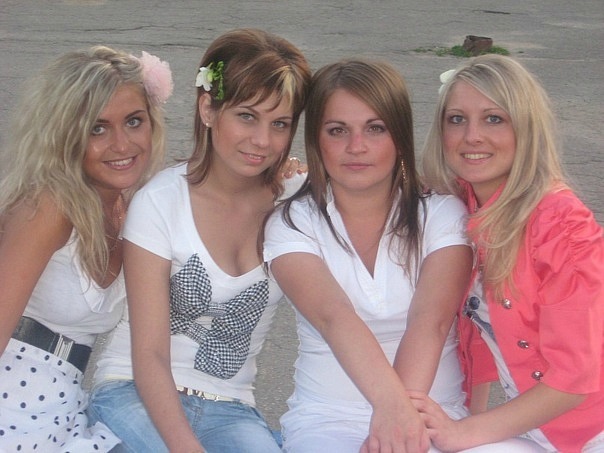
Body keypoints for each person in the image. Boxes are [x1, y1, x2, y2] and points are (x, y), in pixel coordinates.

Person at [87, 28, 311, 453]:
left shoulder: (297, 202)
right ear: (208, 108)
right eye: (247, 116)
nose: (263, 141)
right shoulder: (160, 201)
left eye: (279, 124)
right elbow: (149, 355)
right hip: (133, 391)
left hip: (232, 406)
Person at [262, 58, 476, 453]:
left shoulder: (442, 213)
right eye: (337, 130)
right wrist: (392, 415)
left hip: (435, 414)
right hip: (327, 420)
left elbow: (430, 322)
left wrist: (400, 421)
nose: (356, 146)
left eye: (375, 128)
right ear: (315, 139)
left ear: (400, 135)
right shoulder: (292, 222)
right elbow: (334, 318)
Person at [416, 54, 604, 452]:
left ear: (526, 127)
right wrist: (294, 179)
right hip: (542, 432)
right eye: (457, 119)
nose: (472, 136)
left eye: (494, 119)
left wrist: (463, 432)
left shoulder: (561, 225)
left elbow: (574, 379)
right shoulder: (465, 203)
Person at [0, 45, 172, 451]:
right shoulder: (49, 206)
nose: (121, 144)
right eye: (97, 129)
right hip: (12, 407)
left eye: (134, 121)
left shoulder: (134, 209)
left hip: (63, 408)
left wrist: (280, 177)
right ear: (65, 134)